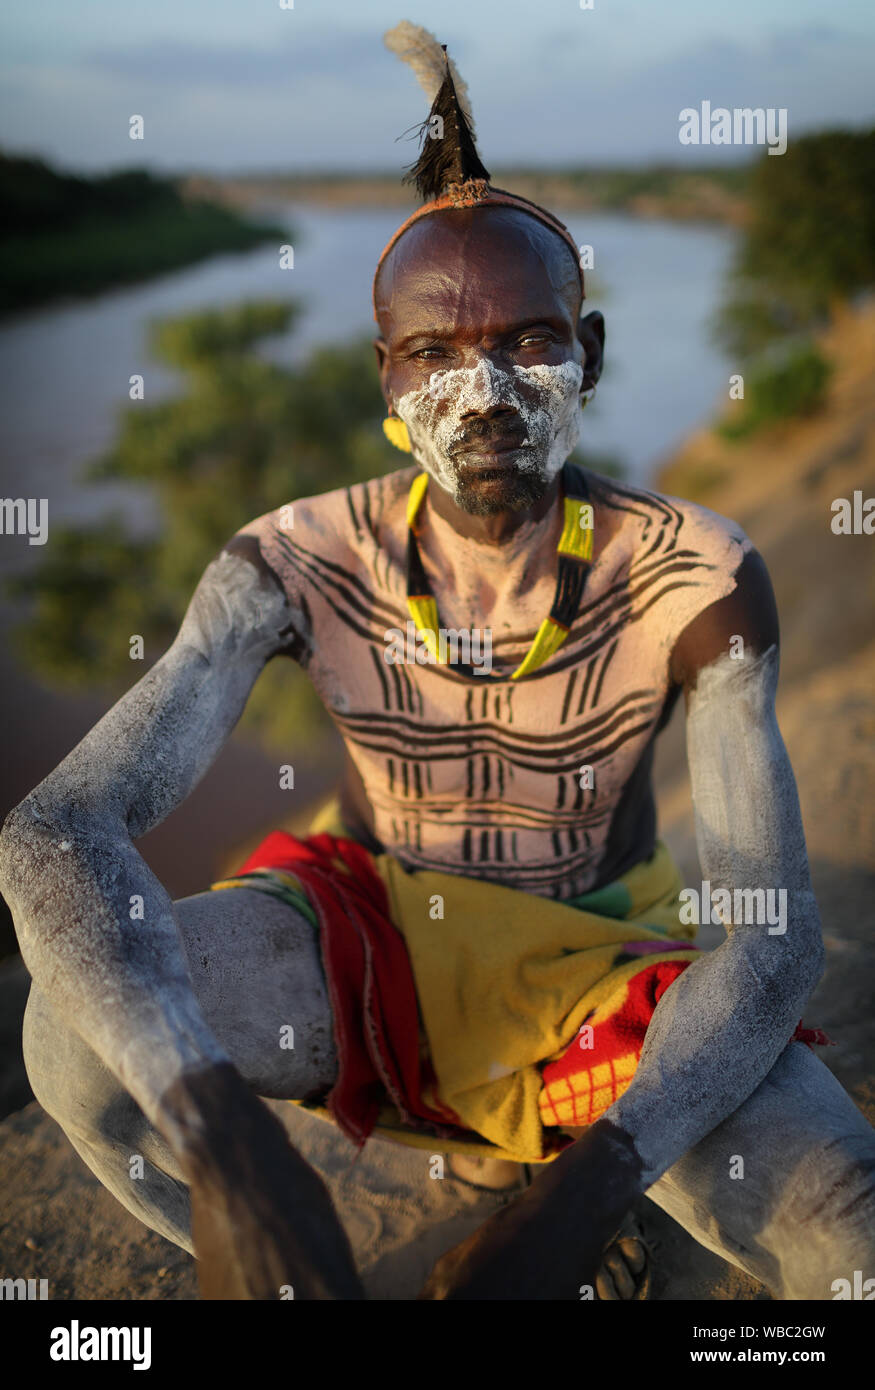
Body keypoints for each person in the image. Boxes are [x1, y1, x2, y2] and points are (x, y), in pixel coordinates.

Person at [1, 24, 873, 1301]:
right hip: (371, 943)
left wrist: (583, 1199)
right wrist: (232, 1150)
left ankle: (558, 1172)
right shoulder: (293, 559)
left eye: (528, 341)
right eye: (433, 355)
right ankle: (296, 1273)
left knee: (843, 1218)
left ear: (591, 352)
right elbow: (52, 831)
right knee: (62, 1042)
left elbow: (773, 937)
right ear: (385, 377)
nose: (483, 395)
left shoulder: (692, 570)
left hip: (599, 974)